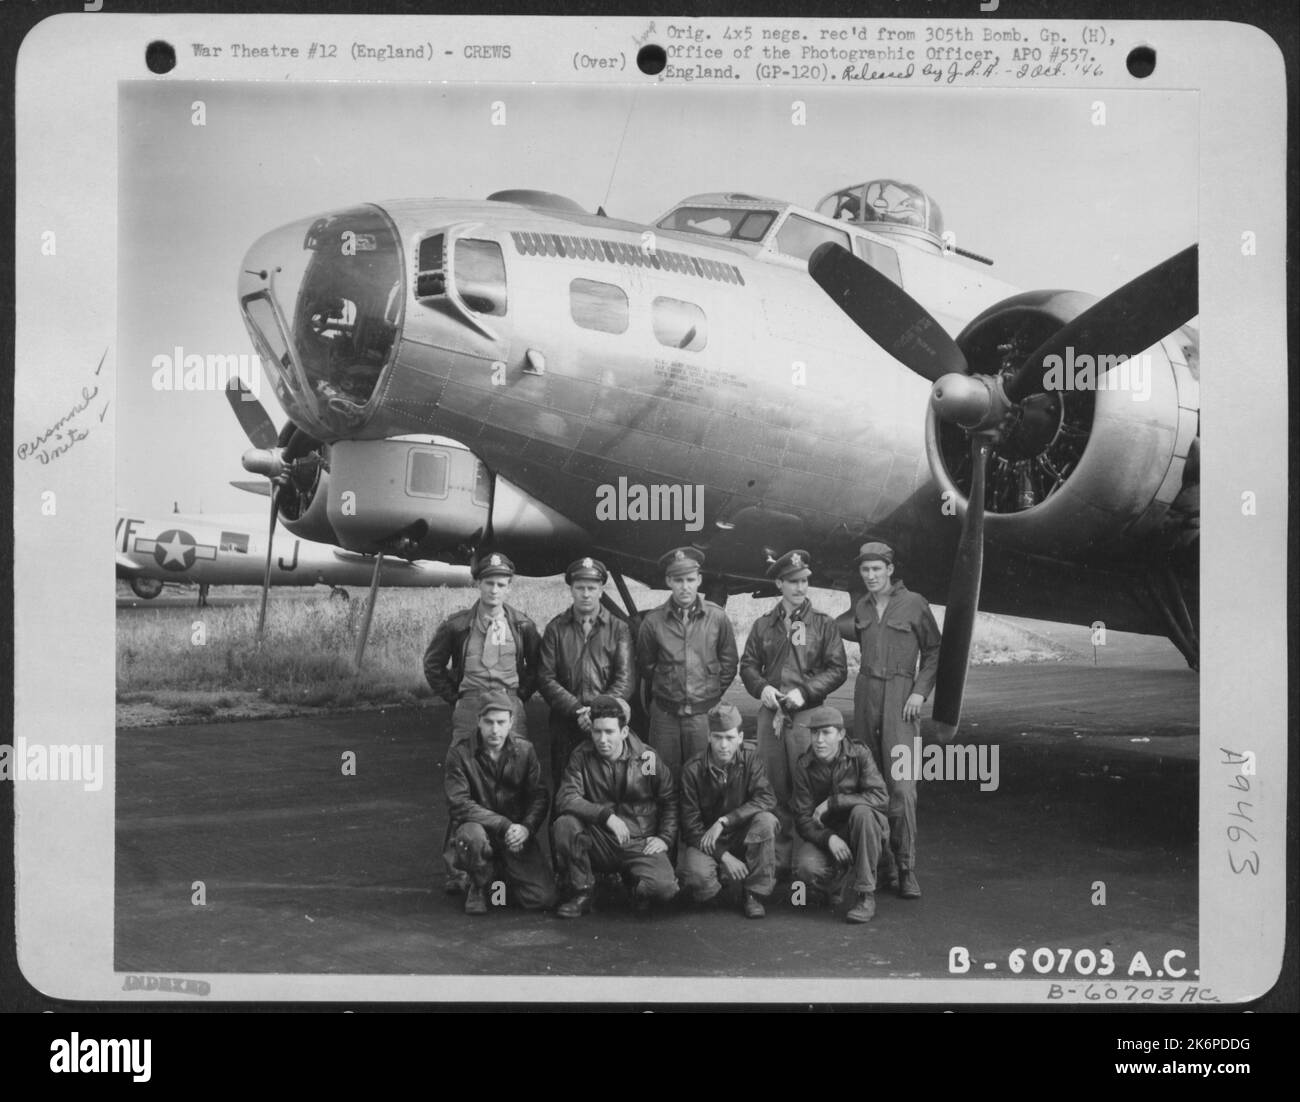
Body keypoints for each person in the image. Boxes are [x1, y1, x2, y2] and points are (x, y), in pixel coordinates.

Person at [739, 549, 847, 873]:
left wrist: (806, 692)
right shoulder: (762, 625)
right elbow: (748, 666)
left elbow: (838, 668)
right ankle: (779, 859)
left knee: (807, 788)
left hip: (806, 719)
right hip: (771, 717)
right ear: (779, 583)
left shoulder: (823, 624)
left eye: (804, 582)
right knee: (773, 787)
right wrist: (763, 689)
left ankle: (808, 859)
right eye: (793, 582)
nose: (801, 588)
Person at [845, 541, 941, 900]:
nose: (870, 576)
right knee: (868, 783)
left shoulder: (915, 604)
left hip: (901, 698)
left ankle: (906, 866)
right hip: (866, 693)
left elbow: (934, 651)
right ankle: (880, 863)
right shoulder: (862, 606)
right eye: (865, 570)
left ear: (889, 569)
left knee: (901, 787)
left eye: (876, 569)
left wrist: (919, 692)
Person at [552, 695, 679, 918]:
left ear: (624, 732)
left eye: (609, 732)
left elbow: (668, 799)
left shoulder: (646, 758)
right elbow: (566, 797)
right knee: (565, 824)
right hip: (600, 838)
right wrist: (605, 816)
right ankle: (583, 891)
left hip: (639, 840)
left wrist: (665, 838)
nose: (602, 739)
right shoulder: (582, 756)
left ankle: (635, 886)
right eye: (597, 731)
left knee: (665, 888)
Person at [443, 691, 556, 915]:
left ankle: (498, 875)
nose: (495, 730)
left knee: (543, 899)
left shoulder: (526, 751)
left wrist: (526, 828)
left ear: (511, 722)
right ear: (478, 721)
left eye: (501, 722)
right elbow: (459, 803)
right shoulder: (460, 753)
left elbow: (539, 795)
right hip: (480, 829)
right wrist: (504, 825)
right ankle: (478, 883)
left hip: (514, 833)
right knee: (471, 836)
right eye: (489, 722)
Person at [636, 547, 739, 777]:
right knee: (663, 775)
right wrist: (669, 687)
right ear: (668, 581)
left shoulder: (717, 618)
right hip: (665, 714)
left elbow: (729, 662)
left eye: (690, 579)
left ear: (699, 580)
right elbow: (646, 664)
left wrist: (709, 693)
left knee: (703, 775)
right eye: (678, 580)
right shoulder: (653, 621)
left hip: (704, 714)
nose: (685, 586)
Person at [422, 551, 542, 748]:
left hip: (509, 703)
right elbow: (432, 664)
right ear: (478, 583)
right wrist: (456, 698)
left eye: (501, 585)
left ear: (508, 588)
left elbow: (538, 664)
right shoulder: (456, 625)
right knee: (464, 764)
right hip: (471, 704)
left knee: (515, 765)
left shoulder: (523, 625)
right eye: (489, 583)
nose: (494, 590)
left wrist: (520, 696)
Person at [538, 557, 634, 787]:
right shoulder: (555, 628)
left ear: (601, 590)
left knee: (605, 784)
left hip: (605, 722)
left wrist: (598, 711)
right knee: (565, 784)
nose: (586, 594)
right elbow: (546, 677)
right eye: (580, 588)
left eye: (592, 588)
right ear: (571, 589)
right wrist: (576, 709)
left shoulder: (618, 628)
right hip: (566, 722)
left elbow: (625, 678)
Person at [677, 703, 779, 919]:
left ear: (741, 737)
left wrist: (725, 820)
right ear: (708, 736)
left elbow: (766, 798)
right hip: (708, 841)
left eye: (730, 738)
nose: (724, 745)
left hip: (742, 834)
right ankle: (722, 881)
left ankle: (754, 893)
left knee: (766, 821)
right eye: (717, 737)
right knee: (698, 878)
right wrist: (724, 857)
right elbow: (690, 828)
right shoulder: (692, 770)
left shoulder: (751, 759)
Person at [791, 705, 890, 924]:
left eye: (826, 732)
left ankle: (866, 895)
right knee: (805, 867)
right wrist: (829, 838)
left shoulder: (859, 754)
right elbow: (803, 819)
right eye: (814, 732)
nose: (819, 740)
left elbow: (881, 797)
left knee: (862, 813)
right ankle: (838, 878)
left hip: (864, 831)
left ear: (841, 734)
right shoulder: (804, 766)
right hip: (830, 835)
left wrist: (834, 802)